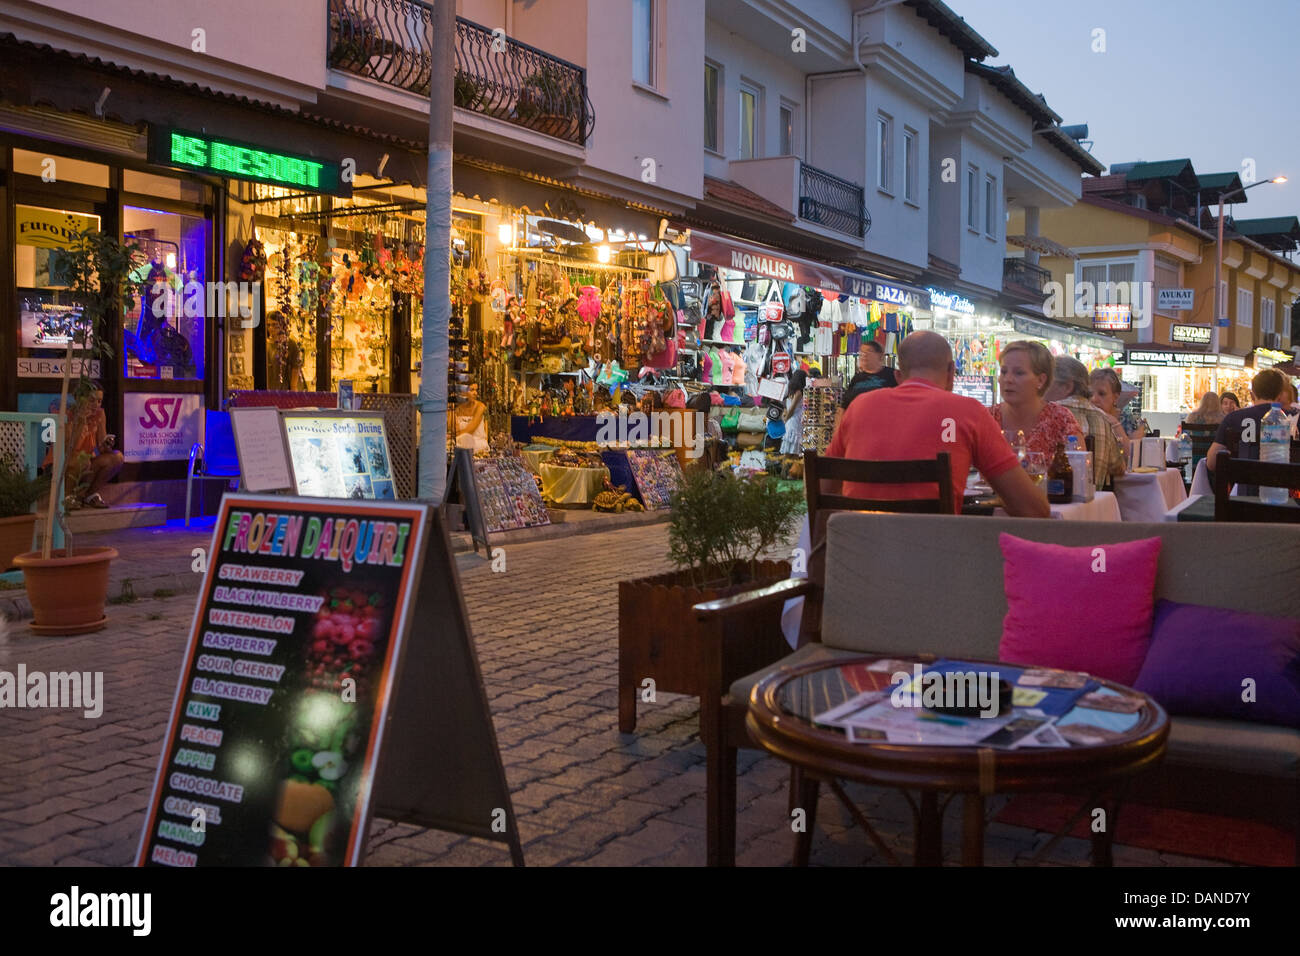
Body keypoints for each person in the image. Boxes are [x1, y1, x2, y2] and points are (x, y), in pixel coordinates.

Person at [825, 331, 1049, 517]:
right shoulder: (969, 412)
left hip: (858, 558)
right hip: (932, 560)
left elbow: (824, 490)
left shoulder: (858, 407)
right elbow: (1032, 509)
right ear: (951, 372)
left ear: (898, 375)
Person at [991, 340, 1084, 461]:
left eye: (1019, 373)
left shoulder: (1061, 420)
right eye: (1003, 372)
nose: (1007, 379)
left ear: (1041, 380)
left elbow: (1079, 471)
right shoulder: (987, 418)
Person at [1046, 355, 1124, 488]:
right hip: (1091, 505)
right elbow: (1119, 468)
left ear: (1067, 387)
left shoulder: (1050, 414)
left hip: (1055, 502)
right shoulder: (1103, 418)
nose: (1042, 388)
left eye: (1048, 382)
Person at [1206, 368, 1286, 494]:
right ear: (1280, 396)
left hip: (1241, 496)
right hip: (1283, 499)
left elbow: (1211, 463)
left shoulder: (1233, 418)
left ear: (1252, 394)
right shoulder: (1290, 419)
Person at [42, 385, 123, 509]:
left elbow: (101, 447)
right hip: (60, 463)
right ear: (80, 399)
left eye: (99, 401)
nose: (96, 404)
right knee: (82, 460)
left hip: (85, 463)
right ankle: (66, 497)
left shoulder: (99, 414)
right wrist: (81, 421)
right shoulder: (68, 414)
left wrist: (107, 445)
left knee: (117, 457)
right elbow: (67, 449)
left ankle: (90, 495)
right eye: (92, 400)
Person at [840, 339, 897, 411]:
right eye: (862, 352)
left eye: (869, 351)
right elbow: (844, 406)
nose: (864, 355)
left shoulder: (892, 375)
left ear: (879, 355)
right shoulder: (857, 378)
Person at [451, 383, 489, 452]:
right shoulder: (457, 409)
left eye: (476, 390)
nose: (475, 393)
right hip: (460, 444)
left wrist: (452, 437)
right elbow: (453, 429)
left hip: (477, 445)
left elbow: (469, 430)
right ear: (463, 392)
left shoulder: (480, 407)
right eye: (472, 390)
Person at [780, 370, 806, 456]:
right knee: (793, 453)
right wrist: (786, 419)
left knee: (788, 451)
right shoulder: (798, 393)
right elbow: (792, 409)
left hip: (790, 421)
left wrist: (785, 419)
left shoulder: (791, 391)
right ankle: (790, 469)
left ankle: (786, 469)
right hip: (794, 420)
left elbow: (788, 408)